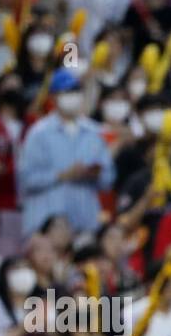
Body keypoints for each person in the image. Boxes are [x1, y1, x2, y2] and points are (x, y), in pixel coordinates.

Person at [16, 69, 115, 237]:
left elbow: (108, 179)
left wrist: (93, 174)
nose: (72, 96)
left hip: (86, 224)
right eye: (67, 92)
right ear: (54, 97)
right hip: (45, 227)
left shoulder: (94, 132)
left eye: (75, 91)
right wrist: (62, 175)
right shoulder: (38, 133)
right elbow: (26, 180)